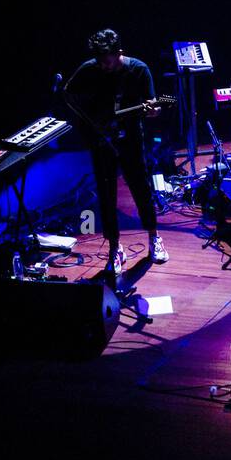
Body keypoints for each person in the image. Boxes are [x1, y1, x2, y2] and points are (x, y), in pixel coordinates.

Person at [63, 29, 167, 277]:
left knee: (141, 188)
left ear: (120, 53)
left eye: (108, 61)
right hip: (101, 141)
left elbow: (152, 104)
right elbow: (68, 93)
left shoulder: (139, 70)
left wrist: (153, 111)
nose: (104, 66)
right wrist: (87, 125)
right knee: (106, 195)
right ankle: (114, 248)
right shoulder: (90, 68)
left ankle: (154, 238)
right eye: (100, 61)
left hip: (130, 138)